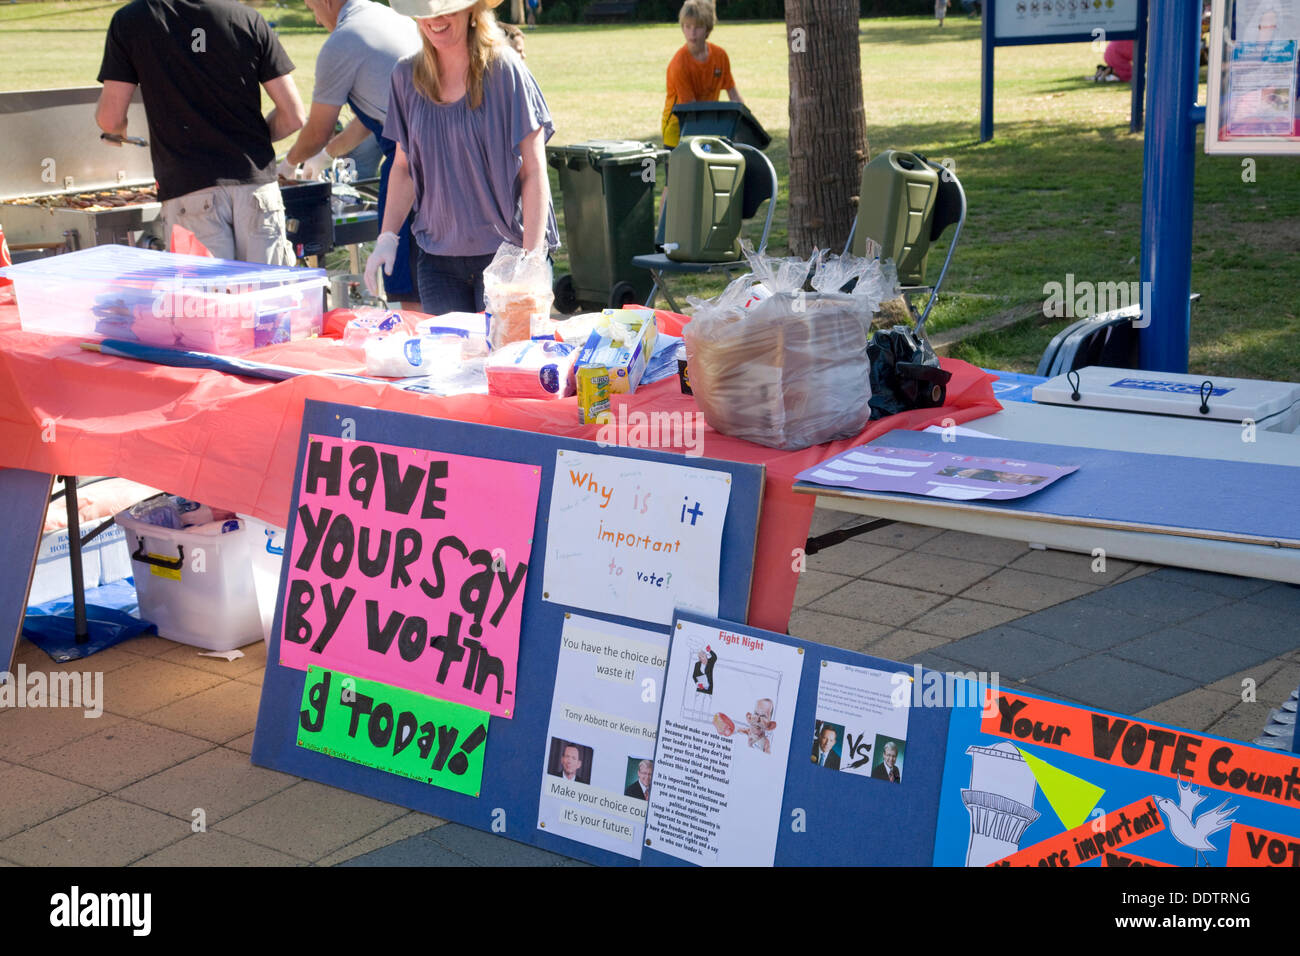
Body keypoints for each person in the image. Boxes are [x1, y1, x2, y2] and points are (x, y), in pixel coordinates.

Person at [365, 0, 558, 316]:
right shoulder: (405, 76)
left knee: (502, 361)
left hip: (505, 259)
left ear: (472, 11)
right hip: (436, 262)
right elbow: (403, 168)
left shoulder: (504, 70)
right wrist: (387, 236)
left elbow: (534, 171)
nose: (436, 20)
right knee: (446, 363)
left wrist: (531, 260)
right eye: (428, 10)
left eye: (447, 9)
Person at [95, 0, 306, 264]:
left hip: (189, 190)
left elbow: (111, 120)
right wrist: (249, 139)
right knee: (268, 299)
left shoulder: (131, 19)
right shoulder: (248, 18)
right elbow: (294, 116)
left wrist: (121, 132)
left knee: (207, 303)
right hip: (256, 189)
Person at [280, 0, 423, 308]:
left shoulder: (343, 40)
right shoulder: (388, 17)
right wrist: (327, 155)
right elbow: (371, 117)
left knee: (409, 283)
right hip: (435, 157)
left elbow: (318, 128)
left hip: (412, 168)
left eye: (312, 9)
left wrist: (289, 164)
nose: (317, 21)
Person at [661, 0, 742, 149]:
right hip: (678, 132)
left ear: (708, 29)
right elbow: (691, 109)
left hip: (705, 125)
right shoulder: (679, 64)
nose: (692, 33)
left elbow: (733, 93)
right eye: (687, 26)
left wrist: (744, 123)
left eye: (697, 27)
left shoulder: (720, 55)